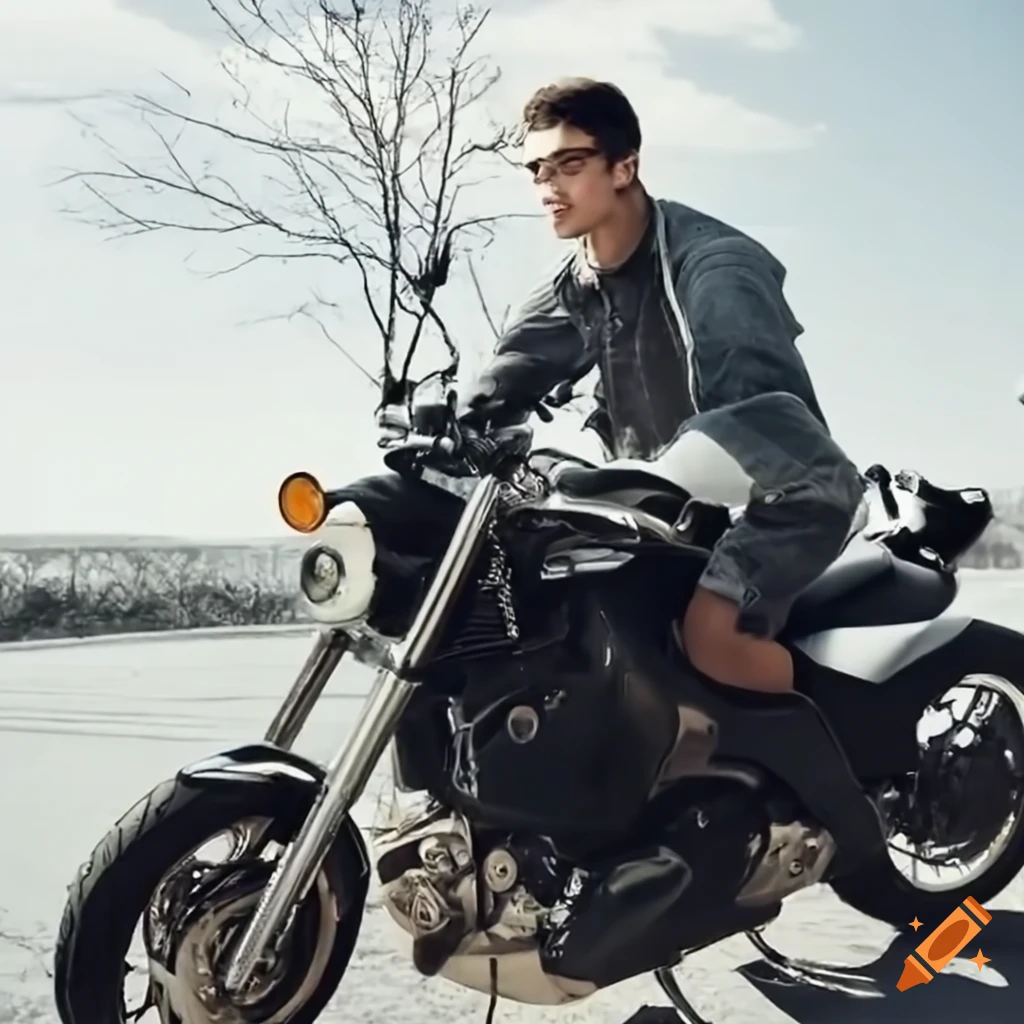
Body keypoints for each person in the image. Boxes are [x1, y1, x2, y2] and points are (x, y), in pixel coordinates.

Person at [461, 77, 867, 697]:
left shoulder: (715, 272)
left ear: (626, 167)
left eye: (570, 164)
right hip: (675, 514)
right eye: (538, 169)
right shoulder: (576, 286)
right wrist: (449, 418)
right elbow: (502, 378)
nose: (548, 187)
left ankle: (850, 756)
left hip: (784, 498)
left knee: (710, 639)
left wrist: (666, 477)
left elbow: (769, 433)